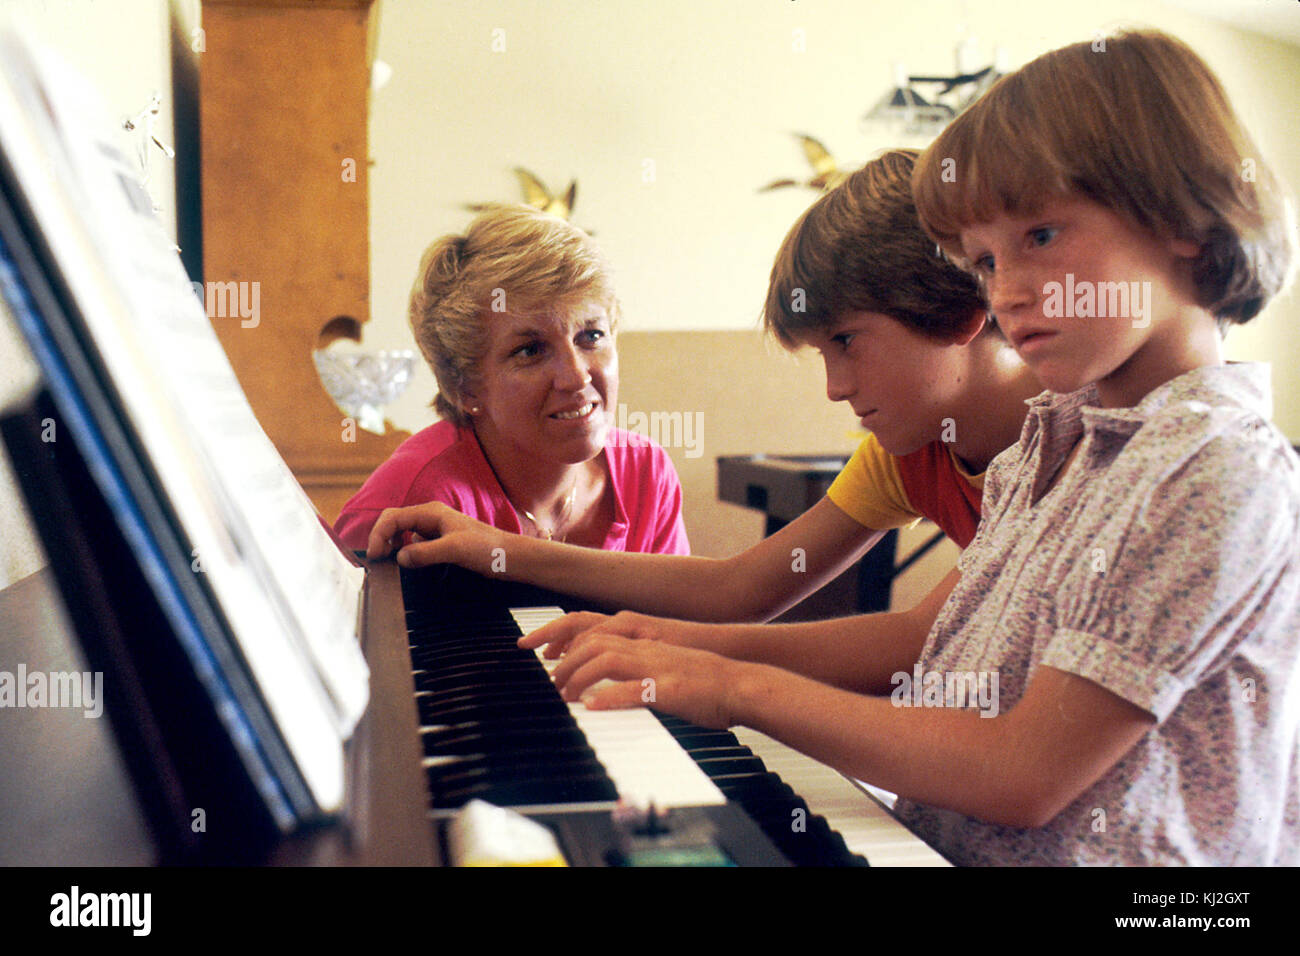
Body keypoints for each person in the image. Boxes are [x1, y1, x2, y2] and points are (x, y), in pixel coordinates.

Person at [514, 30, 1296, 865]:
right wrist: (683, 644)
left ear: (1179, 217)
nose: (1006, 292)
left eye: (1039, 237)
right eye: (984, 259)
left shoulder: (1214, 469)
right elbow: (931, 635)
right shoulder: (1056, 438)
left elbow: (1025, 774)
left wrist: (736, 687)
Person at [365, 150, 1043, 623]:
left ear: (956, 315)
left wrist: (712, 672)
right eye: (529, 349)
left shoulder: (1075, 443)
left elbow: (917, 645)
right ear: (463, 385)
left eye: (844, 343)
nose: (834, 389)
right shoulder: (906, 455)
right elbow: (740, 588)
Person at [333, 204, 689, 556]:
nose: (576, 375)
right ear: (464, 386)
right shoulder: (409, 504)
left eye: (592, 336)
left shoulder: (645, 473)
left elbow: (678, 613)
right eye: (531, 351)